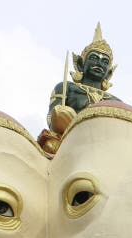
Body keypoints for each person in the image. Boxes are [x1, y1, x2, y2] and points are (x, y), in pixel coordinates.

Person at [38, 23, 120, 154]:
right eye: (94, 58)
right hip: (70, 138)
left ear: (109, 73)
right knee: (51, 144)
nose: (99, 63)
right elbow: (51, 117)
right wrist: (64, 118)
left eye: (104, 61)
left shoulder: (116, 102)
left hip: (105, 145)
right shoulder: (66, 87)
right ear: (81, 64)